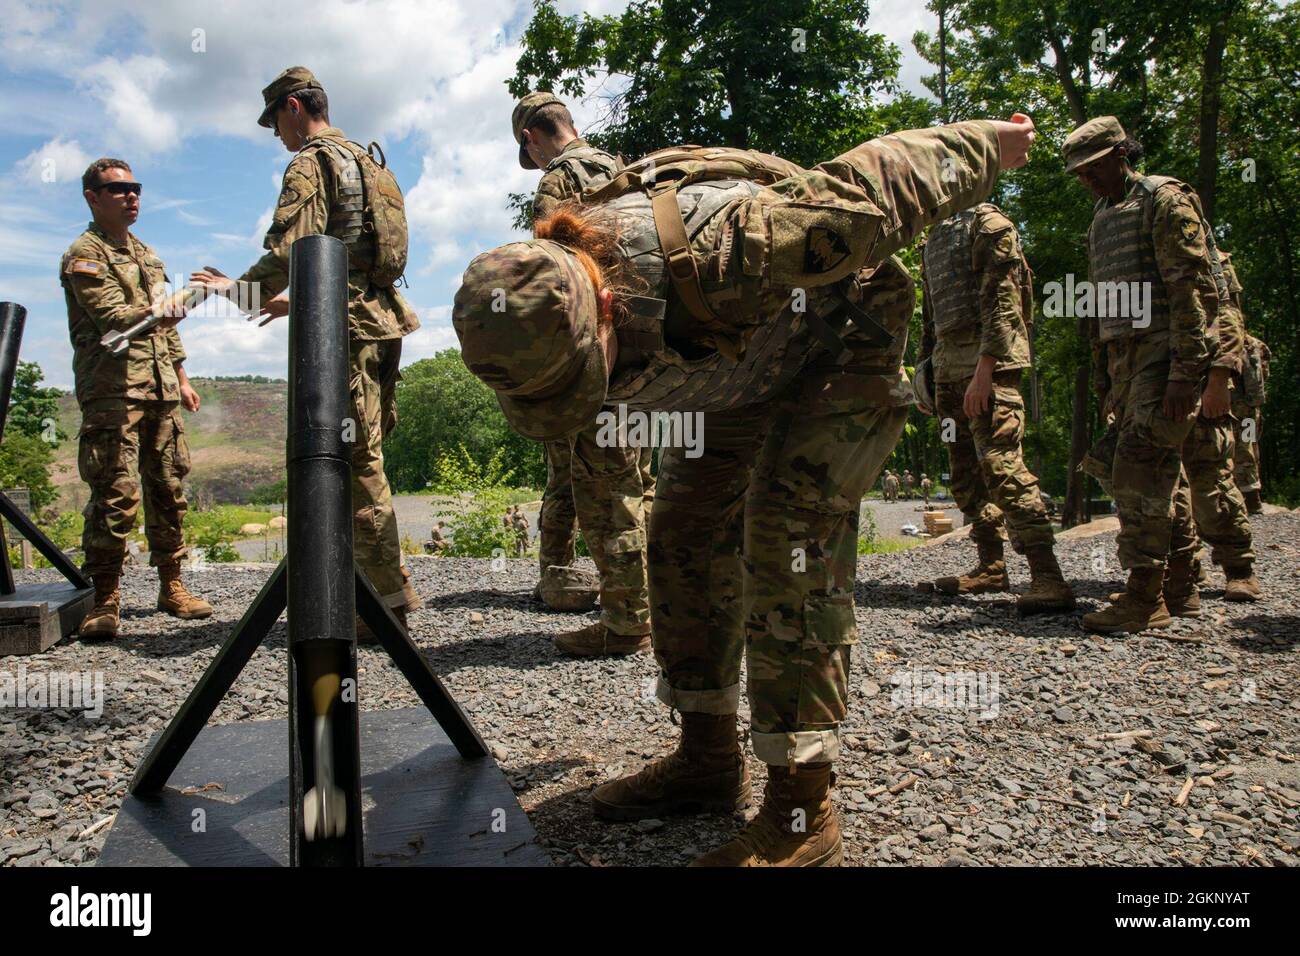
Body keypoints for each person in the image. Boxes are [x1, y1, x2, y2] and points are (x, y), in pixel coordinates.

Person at [453, 114, 1039, 865]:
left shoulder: (733, 244)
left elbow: (878, 181)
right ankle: (706, 763)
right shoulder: (537, 309)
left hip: (839, 338)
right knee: (681, 534)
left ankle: (802, 816)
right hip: (737, 373)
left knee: (786, 535)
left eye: (583, 376)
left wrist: (989, 144)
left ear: (605, 307)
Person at [190, 67, 421, 633]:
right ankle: (384, 587)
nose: (276, 134)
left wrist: (235, 292)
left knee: (354, 463)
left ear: (295, 107)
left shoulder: (310, 162)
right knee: (367, 454)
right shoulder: (371, 161)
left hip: (344, 331)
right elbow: (358, 261)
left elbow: (290, 250)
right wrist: (295, 305)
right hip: (381, 325)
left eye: (275, 121)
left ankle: (384, 604)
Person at [1064, 116, 1260, 634]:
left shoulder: (1164, 200)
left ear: (1118, 154)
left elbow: (1191, 292)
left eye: (1093, 168)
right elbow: (1102, 304)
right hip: (1127, 360)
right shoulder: (1103, 216)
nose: (1086, 180)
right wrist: (1108, 379)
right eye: (1079, 174)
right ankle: (1179, 587)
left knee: (1140, 466)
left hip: (1165, 352)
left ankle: (1143, 596)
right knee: (1153, 474)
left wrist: (1188, 373)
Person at [513, 92, 654, 656]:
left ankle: (625, 623)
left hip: (599, 355)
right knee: (638, 480)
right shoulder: (626, 170)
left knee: (600, 487)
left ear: (532, 138)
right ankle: (647, 601)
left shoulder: (556, 183)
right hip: (646, 347)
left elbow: (552, 282)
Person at [60, 158, 212, 640]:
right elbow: (113, 317)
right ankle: (104, 597)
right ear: (92, 197)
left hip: (162, 388)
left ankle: (173, 585)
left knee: (169, 489)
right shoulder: (84, 254)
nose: (131, 196)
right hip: (113, 392)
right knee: (115, 494)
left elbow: (164, 333)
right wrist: (165, 308)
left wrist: (182, 376)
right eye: (118, 189)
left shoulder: (148, 255)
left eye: (136, 188)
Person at [916, 202, 1074, 613]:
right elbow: (932, 318)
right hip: (949, 370)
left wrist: (986, 371)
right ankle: (991, 566)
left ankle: (1047, 576)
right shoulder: (934, 235)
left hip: (988, 368)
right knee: (965, 475)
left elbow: (1002, 304)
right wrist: (926, 374)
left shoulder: (988, 225)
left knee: (1003, 469)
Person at [1218, 252, 1269, 513]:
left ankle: (1249, 497)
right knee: (1246, 447)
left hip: (1238, 406)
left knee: (1242, 447)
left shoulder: (1245, 346)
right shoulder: (1253, 346)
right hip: (1246, 407)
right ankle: (1251, 497)